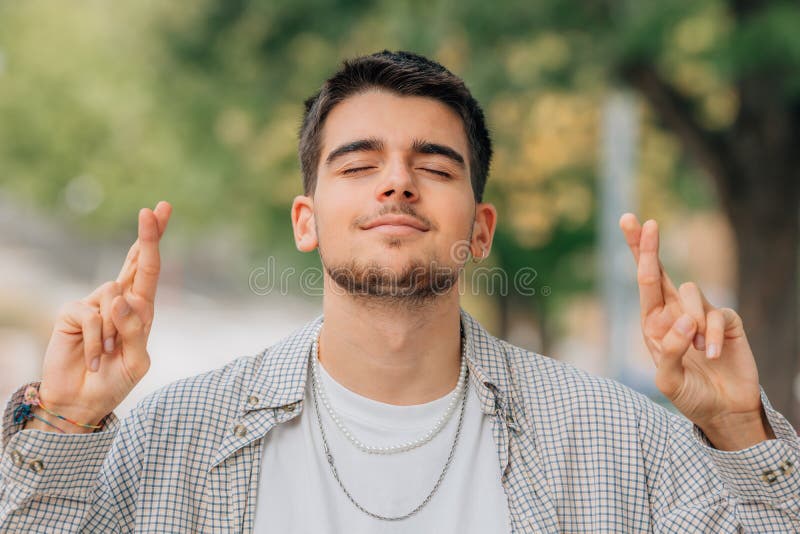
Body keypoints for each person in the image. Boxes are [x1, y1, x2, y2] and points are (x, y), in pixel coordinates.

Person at [1, 50, 798, 533]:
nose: (396, 183)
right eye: (357, 163)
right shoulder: (168, 439)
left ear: (480, 229)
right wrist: (66, 423)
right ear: (306, 222)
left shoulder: (624, 442)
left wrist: (736, 427)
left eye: (435, 165)